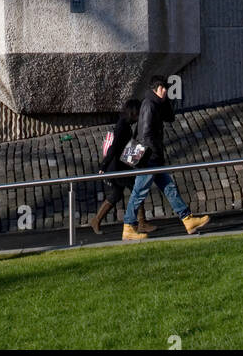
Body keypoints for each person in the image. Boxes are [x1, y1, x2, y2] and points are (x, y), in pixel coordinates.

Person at [121, 75, 210, 242]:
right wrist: (154, 155)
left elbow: (170, 117)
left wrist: (166, 101)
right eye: (163, 88)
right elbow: (146, 134)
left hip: (153, 156)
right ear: (156, 88)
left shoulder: (156, 103)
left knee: (169, 187)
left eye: (166, 88)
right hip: (149, 157)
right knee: (139, 192)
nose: (166, 90)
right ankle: (128, 225)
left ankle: (187, 219)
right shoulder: (149, 105)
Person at [90, 98, 156, 235]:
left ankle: (96, 220)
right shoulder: (122, 126)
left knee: (116, 194)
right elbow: (114, 148)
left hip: (120, 165)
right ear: (133, 113)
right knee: (137, 189)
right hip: (118, 167)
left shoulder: (125, 124)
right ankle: (141, 222)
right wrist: (104, 165)